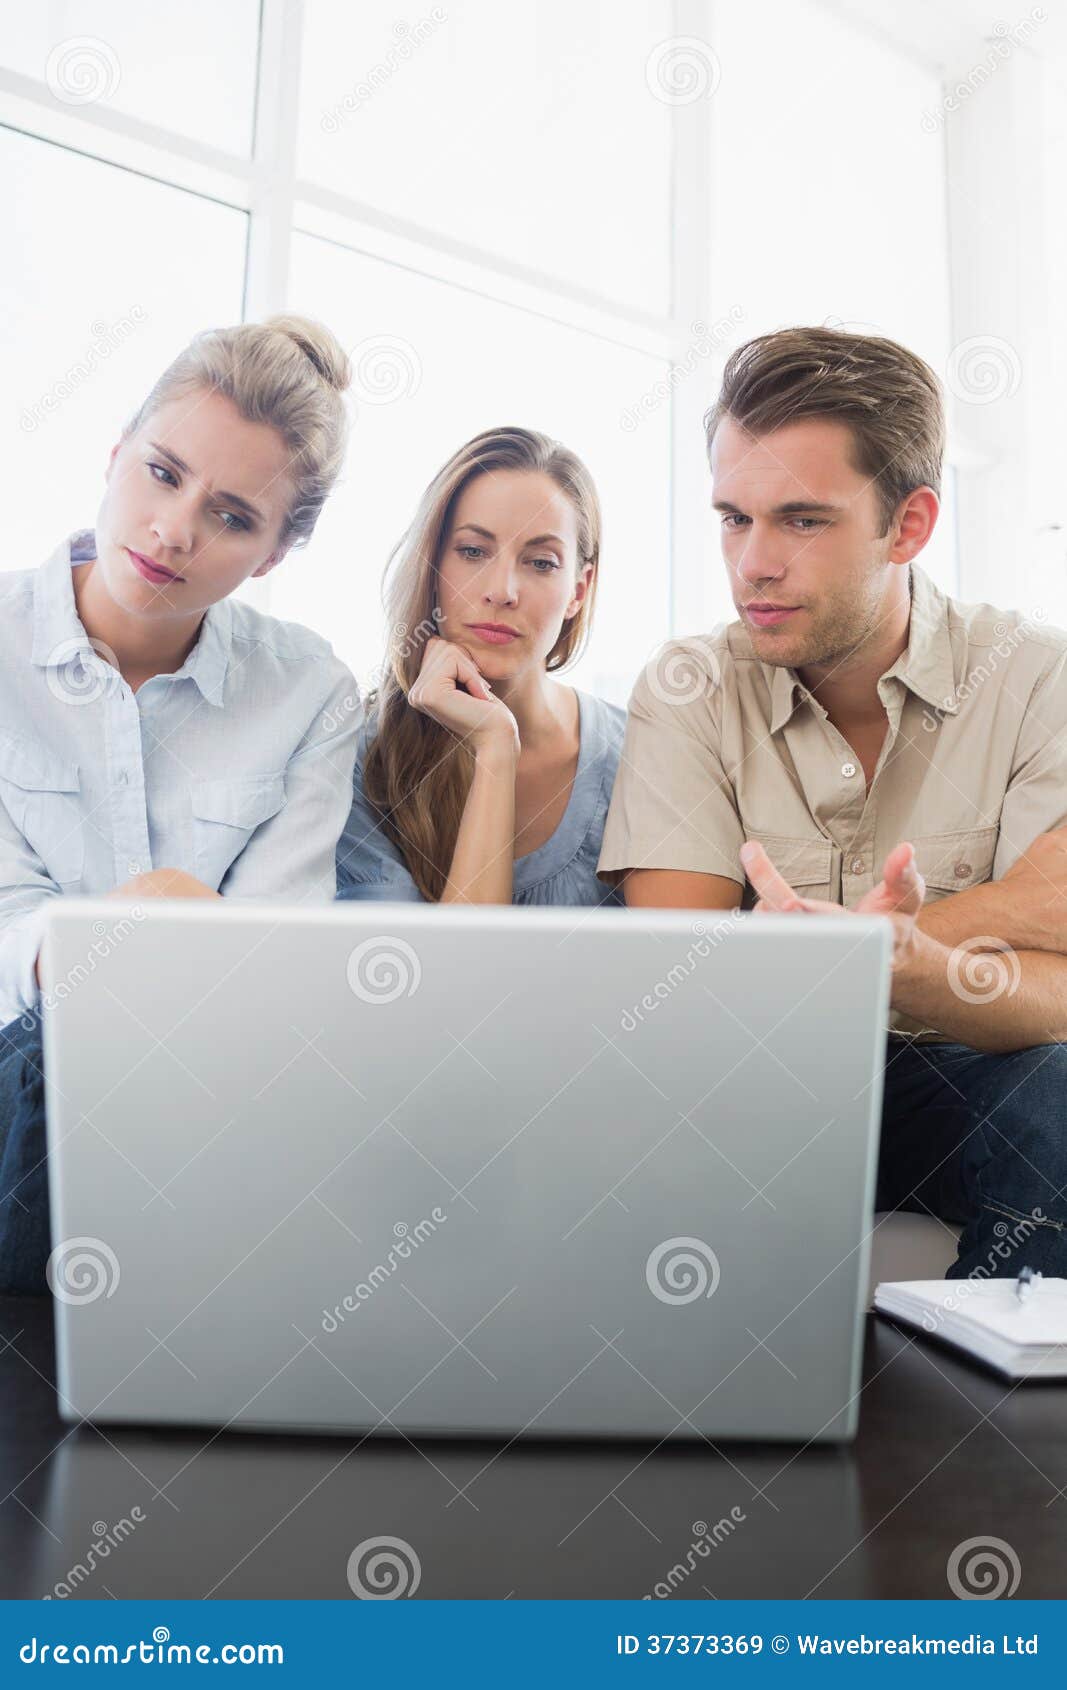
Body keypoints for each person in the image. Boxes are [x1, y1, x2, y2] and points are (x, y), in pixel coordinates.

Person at [598, 325, 1067, 1280]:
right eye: (734, 518)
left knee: (1056, 1094)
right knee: (648, 1116)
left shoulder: (1035, 680)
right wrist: (965, 926)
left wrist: (888, 961)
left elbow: (1056, 998)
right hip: (752, 1079)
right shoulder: (689, 686)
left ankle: (996, 1413)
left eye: (801, 521)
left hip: (961, 1071)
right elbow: (689, 991)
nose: (753, 564)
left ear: (909, 525)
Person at [0, 314, 361, 1292]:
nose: (173, 530)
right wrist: (125, 931)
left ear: (274, 553)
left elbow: (277, 957)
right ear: (116, 453)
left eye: (232, 516)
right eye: (162, 473)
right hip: (18, 1075)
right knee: (52, 1048)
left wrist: (162, 939)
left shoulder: (309, 692)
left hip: (210, 1096)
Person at [337, 426, 624, 907]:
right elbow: (455, 973)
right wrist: (495, 745)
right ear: (432, 565)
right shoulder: (360, 762)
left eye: (541, 562)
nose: (502, 590)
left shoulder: (640, 756)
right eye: (472, 552)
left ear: (579, 589)